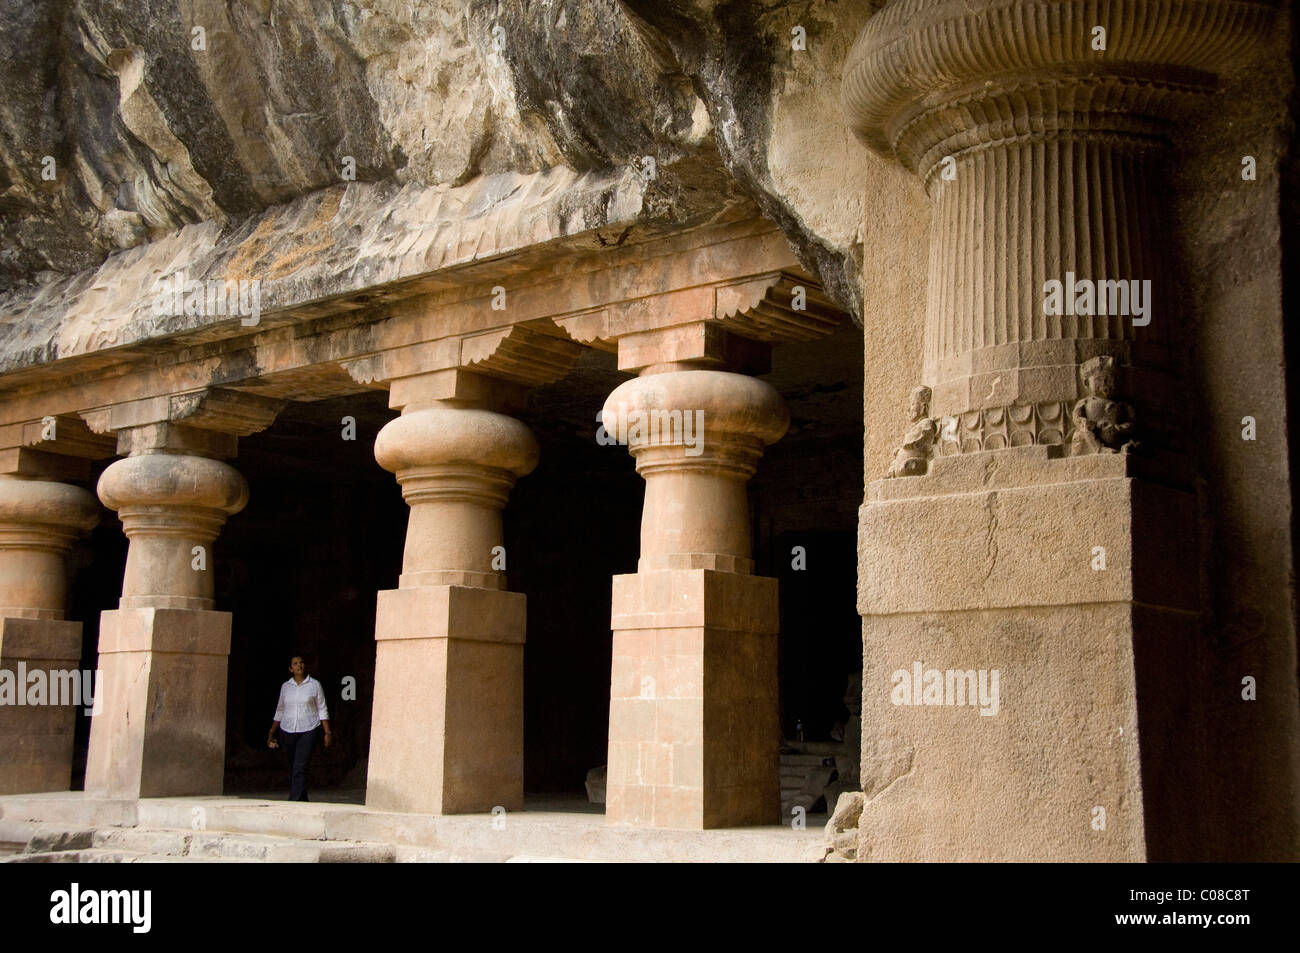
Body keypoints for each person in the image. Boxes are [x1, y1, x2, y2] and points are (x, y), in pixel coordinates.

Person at [267, 655, 331, 801]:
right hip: (287, 729)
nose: (299, 665)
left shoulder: (315, 685)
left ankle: (294, 800)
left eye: (301, 662)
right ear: (290, 669)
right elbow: (280, 709)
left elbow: (322, 709)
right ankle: (302, 798)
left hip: (309, 729)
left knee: (300, 765)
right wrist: (272, 731)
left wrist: (327, 732)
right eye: (295, 663)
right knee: (293, 766)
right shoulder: (286, 686)